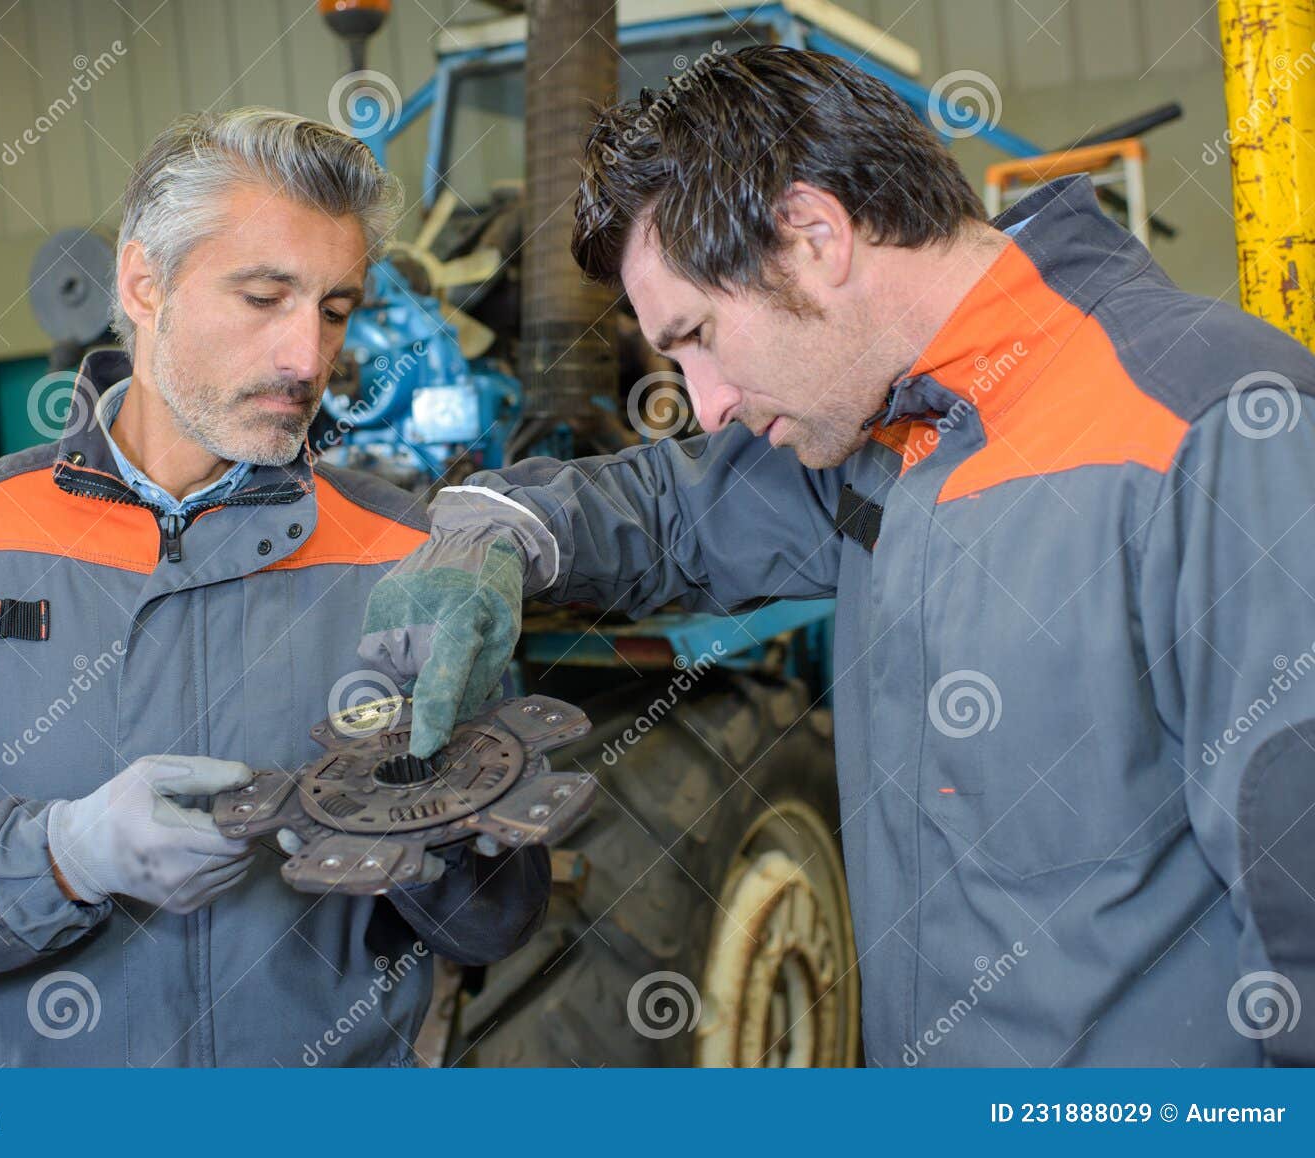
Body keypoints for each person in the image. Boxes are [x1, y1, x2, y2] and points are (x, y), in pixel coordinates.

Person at [359, 46, 1315, 1066]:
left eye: (699, 336)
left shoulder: (1209, 429)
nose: (708, 400)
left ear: (814, 236)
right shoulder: (886, 431)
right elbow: (669, 508)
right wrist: (492, 533)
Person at [0, 108, 549, 1067]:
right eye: (262, 297)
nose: (308, 358)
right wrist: (58, 859)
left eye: (334, 309)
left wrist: (437, 833)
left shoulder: (411, 559)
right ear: (142, 281)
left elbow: (495, 921)